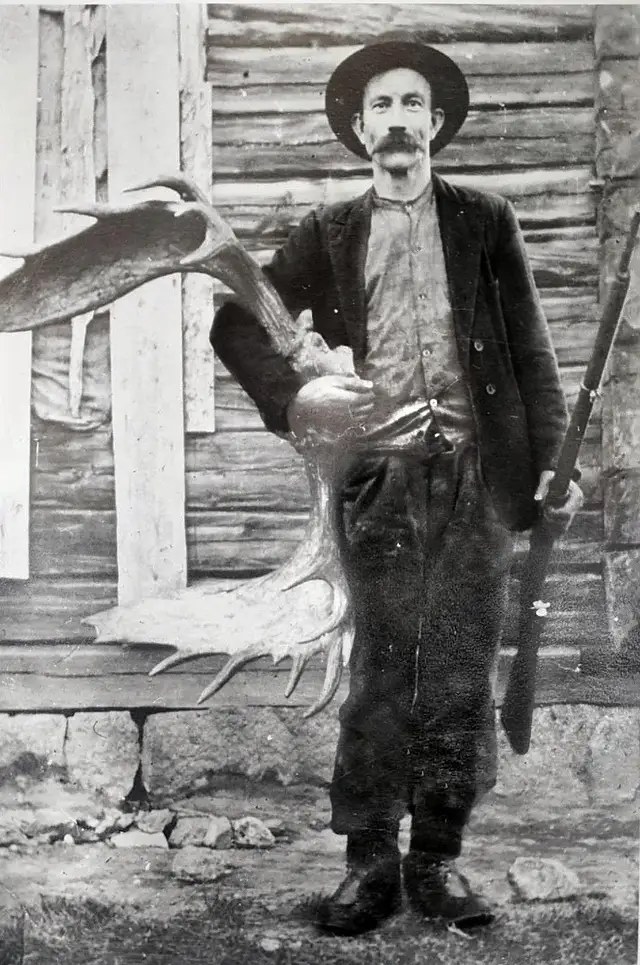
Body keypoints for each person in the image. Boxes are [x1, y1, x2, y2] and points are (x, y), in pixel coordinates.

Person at [211, 39, 584, 935]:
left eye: (413, 105)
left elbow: (530, 350)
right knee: (381, 671)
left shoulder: (485, 220)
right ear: (358, 129)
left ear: (438, 125)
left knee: (458, 673)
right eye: (381, 108)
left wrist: (549, 463)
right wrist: (299, 399)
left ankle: (438, 861)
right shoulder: (326, 233)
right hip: (376, 483)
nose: (398, 122)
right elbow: (236, 325)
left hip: (477, 483)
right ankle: (369, 862)